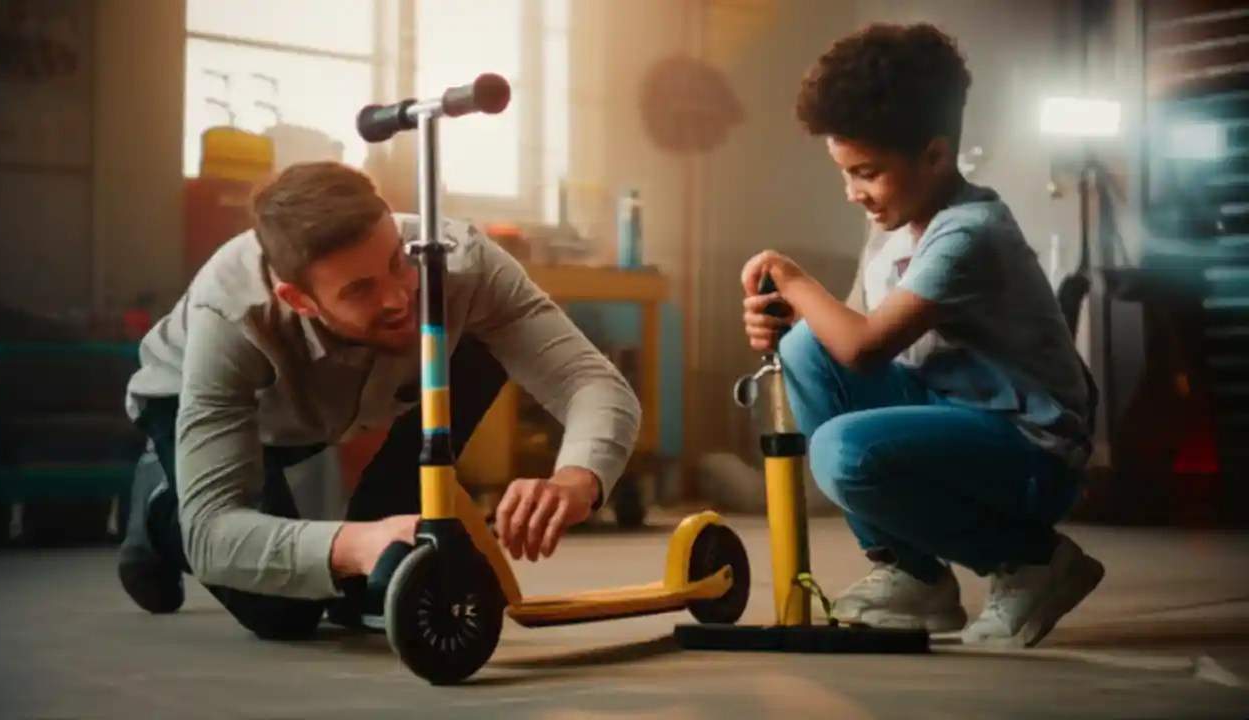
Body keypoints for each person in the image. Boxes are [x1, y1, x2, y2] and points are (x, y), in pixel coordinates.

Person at [118, 161, 641, 640]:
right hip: (212, 408)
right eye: (360, 289)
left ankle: (388, 518)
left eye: (397, 260)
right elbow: (214, 535)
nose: (398, 296)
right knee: (285, 611)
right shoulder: (230, 317)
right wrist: (355, 547)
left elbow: (591, 380)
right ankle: (163, 507)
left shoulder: (460, 261)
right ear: (298, 300)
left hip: (333, 409)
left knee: (479, 346)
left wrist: (577, 478)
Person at [739, 23, 1104, 647]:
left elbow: (865, 346)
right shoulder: (890, 226)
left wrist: (795, 279)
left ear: (935, 156)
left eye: (869, 172)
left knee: (842, 452)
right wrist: (785, 319)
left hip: (1027, 451)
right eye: (845, 172)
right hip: (952, 427)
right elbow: (841, 339)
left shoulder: (969, 232)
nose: (854, 192)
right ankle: (913, 576)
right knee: (806, 348)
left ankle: (1033, 560)